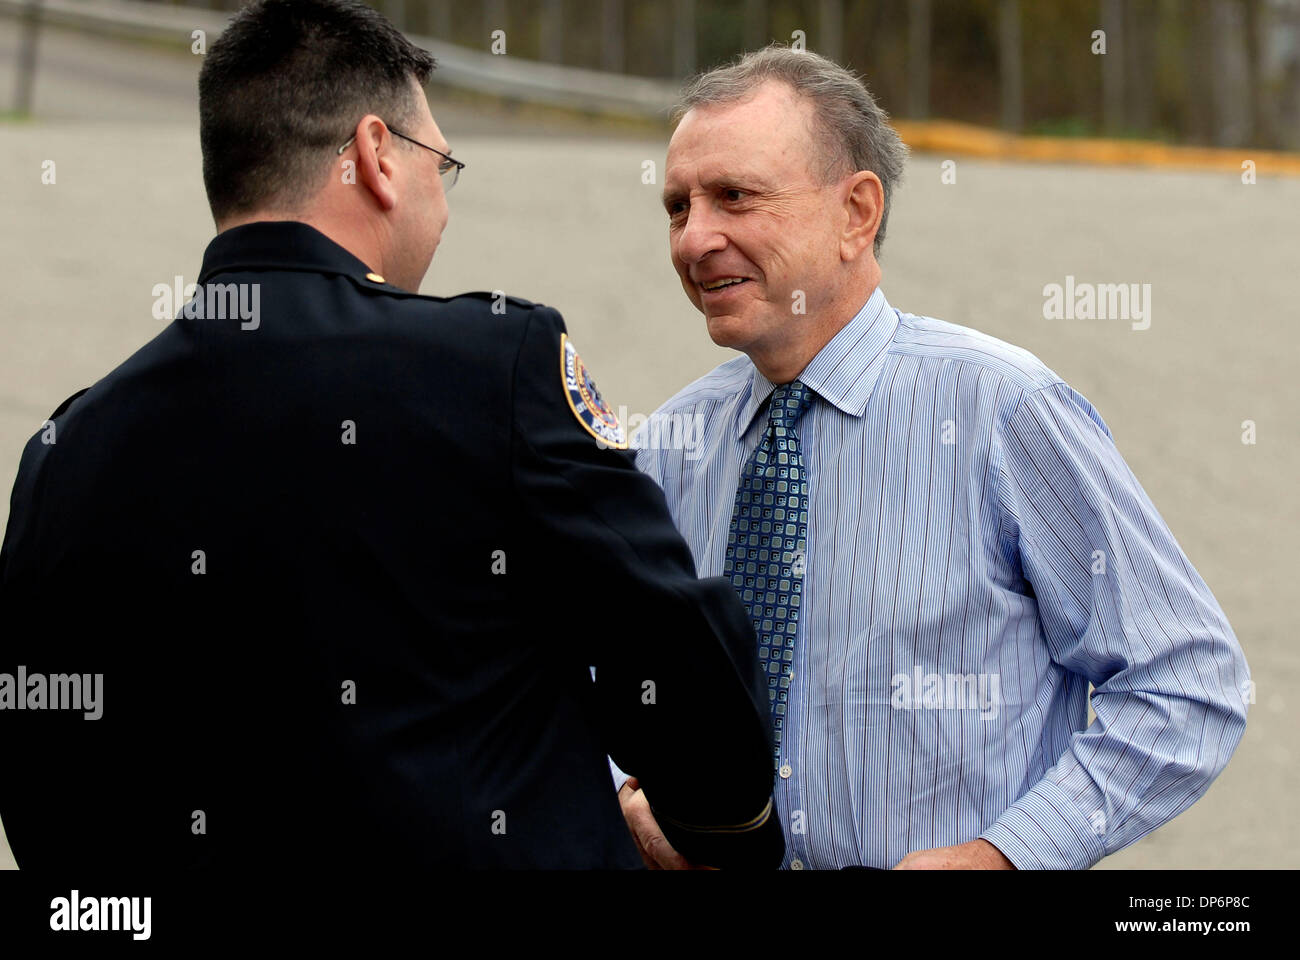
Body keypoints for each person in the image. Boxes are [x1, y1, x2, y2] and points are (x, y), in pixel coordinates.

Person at [0, 0, 782, 871]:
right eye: (440, 165)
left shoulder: (65, 448)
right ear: (375, 157)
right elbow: (667, 646)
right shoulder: (494, 367)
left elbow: (39, 768)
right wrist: (728, 832)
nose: (441, 202)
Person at [616, 46, 1250, 870]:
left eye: (735, 196)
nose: (696, 238)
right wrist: (632, 793)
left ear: (857, 212)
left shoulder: (1003, 410)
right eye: (677, 208)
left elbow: (1189, 682)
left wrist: (1005, 855)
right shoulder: (668, 447)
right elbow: (598, 690)